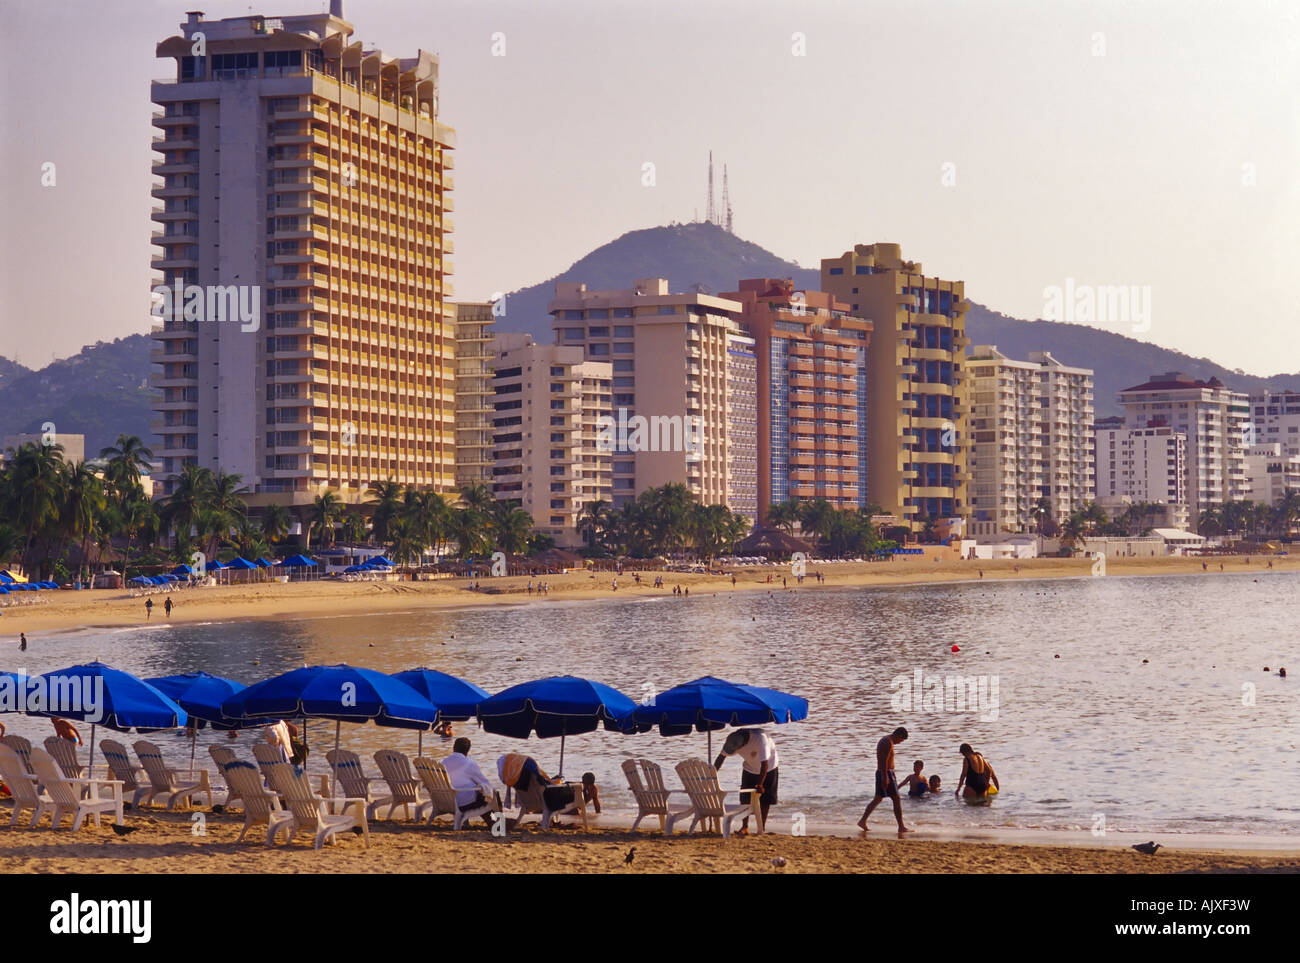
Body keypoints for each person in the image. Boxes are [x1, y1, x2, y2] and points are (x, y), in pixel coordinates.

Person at [714, 728, 779, 834]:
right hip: (749, 768)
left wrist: (760, 784)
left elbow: (764, 764)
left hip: (769, 767)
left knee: (765, 800)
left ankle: (762, 828)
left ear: (744, 744)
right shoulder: (732, 740)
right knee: (745, 798)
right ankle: (745, 827)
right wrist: (712, 775)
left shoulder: (761, 739)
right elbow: (721, 758)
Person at [858, 726, 912, 833]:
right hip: (885, 773)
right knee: (896, 799)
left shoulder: (886, 740)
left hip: (886, 773)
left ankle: (862, 821)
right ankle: (901, 827)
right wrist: (885, 777)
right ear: (899, 735)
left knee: (878, 799)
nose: (900, 743)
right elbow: (883, 761)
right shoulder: (887, 742)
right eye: (901, 740)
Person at [442, 737, 497, 825]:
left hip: (445, 801)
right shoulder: (468, 763)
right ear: (467, 751)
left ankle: (491, 821)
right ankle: (496, 822)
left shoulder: (444, 762)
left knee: (478, 793)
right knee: (492, 794)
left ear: (454, 747)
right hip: (462, 804)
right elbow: (484, 782)